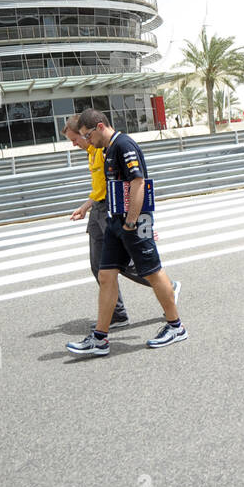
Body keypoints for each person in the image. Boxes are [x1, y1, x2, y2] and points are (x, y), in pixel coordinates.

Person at [64, 109, 184, 356]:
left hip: (133, 220)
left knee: (151, 272)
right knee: (106, 274)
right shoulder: (107, 149)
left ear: (99, 127)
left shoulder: (123, 145)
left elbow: (138, 183)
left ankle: (176, 326)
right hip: (115, 221)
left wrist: (131, 223)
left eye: (87, 135)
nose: (86, 141)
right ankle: (100, 339)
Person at [62, 114, 153, 329]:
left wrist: (136, 222)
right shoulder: (91, 153)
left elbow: (133, 183)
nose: (75, 144)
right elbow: (99, 187)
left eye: (77, 139)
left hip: (109, 209)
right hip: (97, 208)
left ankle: (162, 284)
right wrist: (85, 207)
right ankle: (118, 314)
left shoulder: (104, 150)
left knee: (118, 263)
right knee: (98, 265)